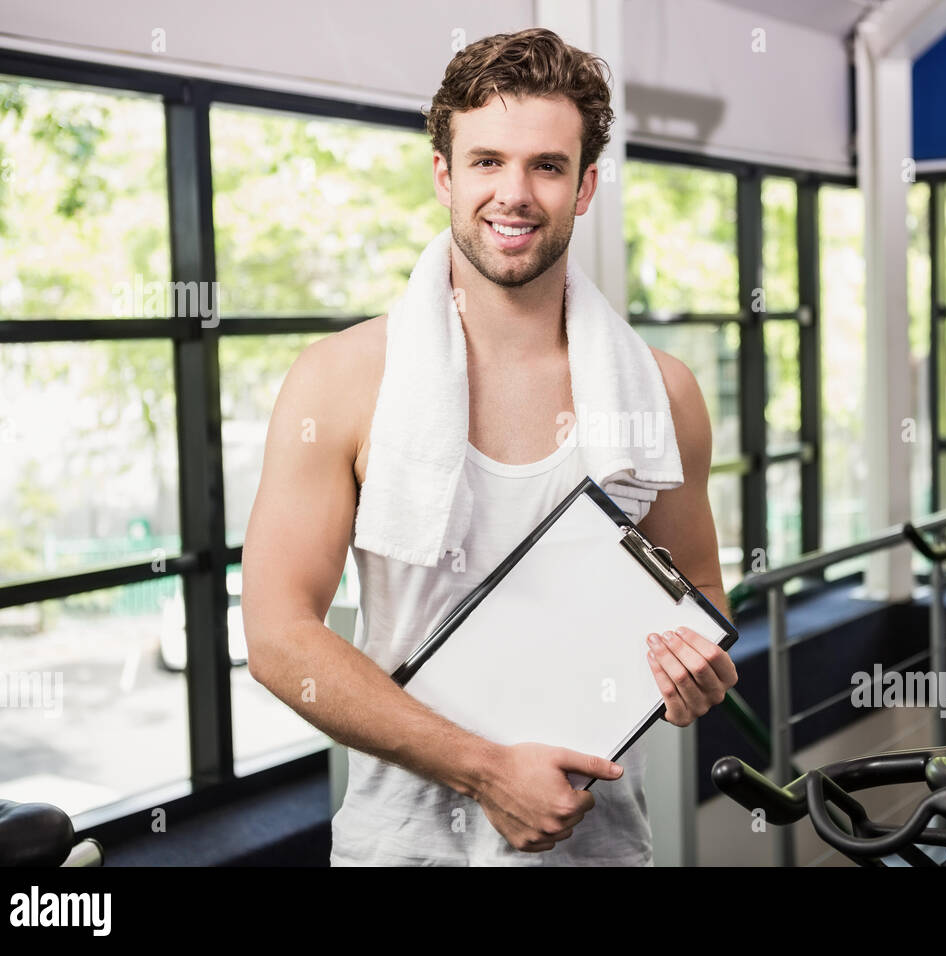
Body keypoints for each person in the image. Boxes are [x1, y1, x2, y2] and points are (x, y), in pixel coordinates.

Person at [241, 27, 737, 866]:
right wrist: (484, 771)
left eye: (547, 166)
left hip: (600, 844)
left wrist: (694, 677)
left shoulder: (663, 392)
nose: (515, 193)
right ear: (444, 173)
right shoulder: (338, 381)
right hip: (401, 849)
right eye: (486, 161)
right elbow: (278, 634)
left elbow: (702, 596)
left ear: (584, 188)